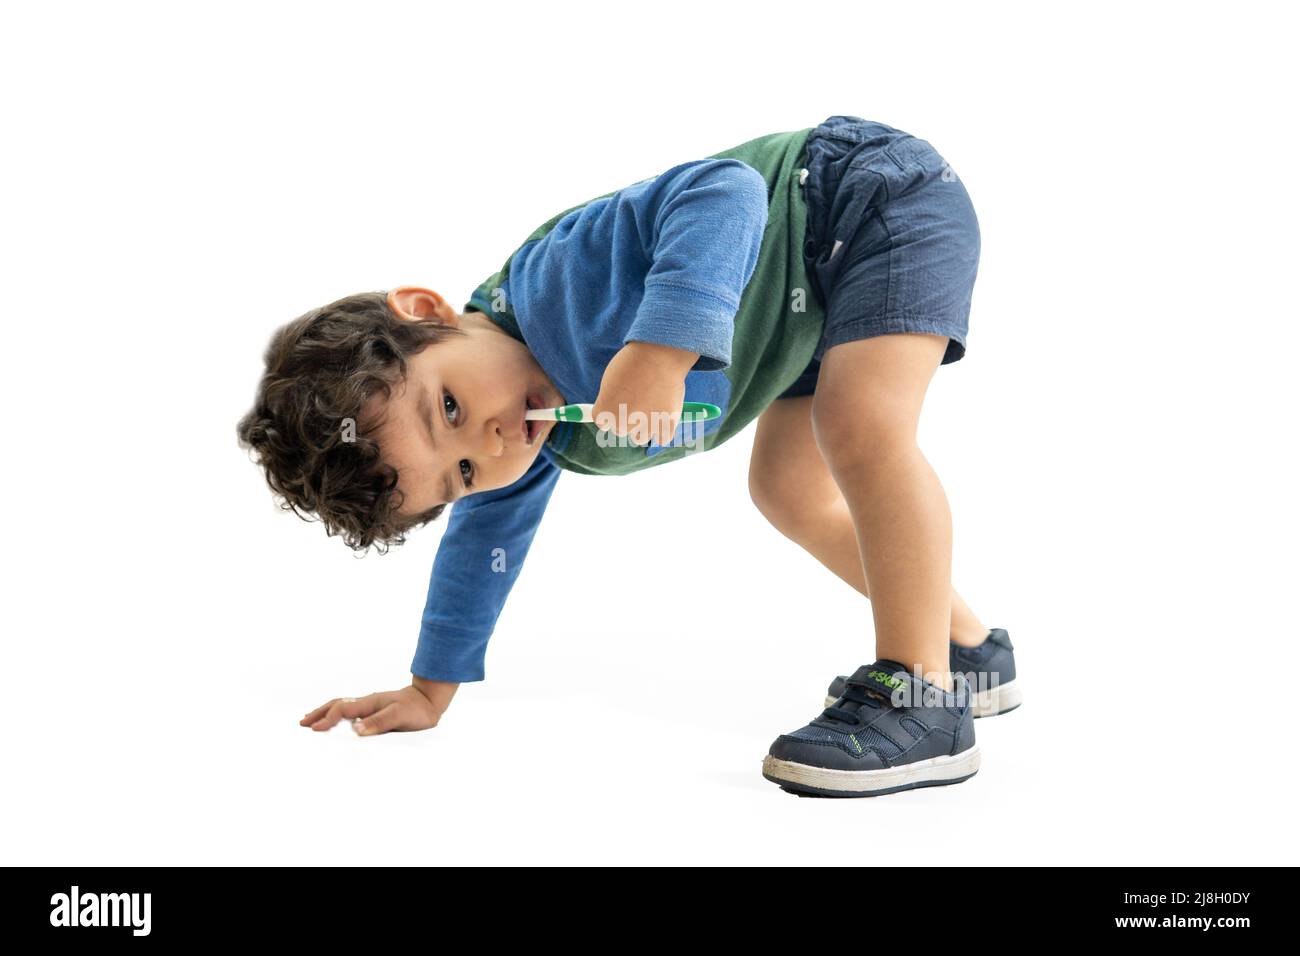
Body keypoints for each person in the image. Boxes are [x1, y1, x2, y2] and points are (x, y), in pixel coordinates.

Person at [237, 115, 1021, 797]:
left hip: (861, 199)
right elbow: (481, 549)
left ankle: (920, 697)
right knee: (787, 487)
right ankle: (967, 653)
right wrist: (429, 689)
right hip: (803, 319)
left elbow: (727, 190)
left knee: (861, 429)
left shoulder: (555, 287)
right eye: (463, 475)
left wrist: (659, 348)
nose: (494, 441)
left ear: (429, 314)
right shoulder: (527, 430)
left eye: (449, 408)